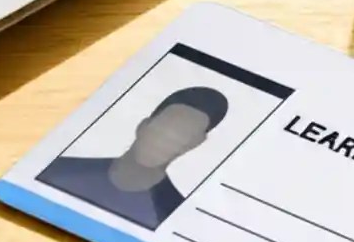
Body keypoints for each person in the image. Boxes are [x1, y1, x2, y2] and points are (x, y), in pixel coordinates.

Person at [36, 86, 229, 230]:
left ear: (193, 145)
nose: (169, 138)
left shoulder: (174, 217)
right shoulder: (60, 170)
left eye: (185, 133)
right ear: (143, 125)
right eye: (166, 126)